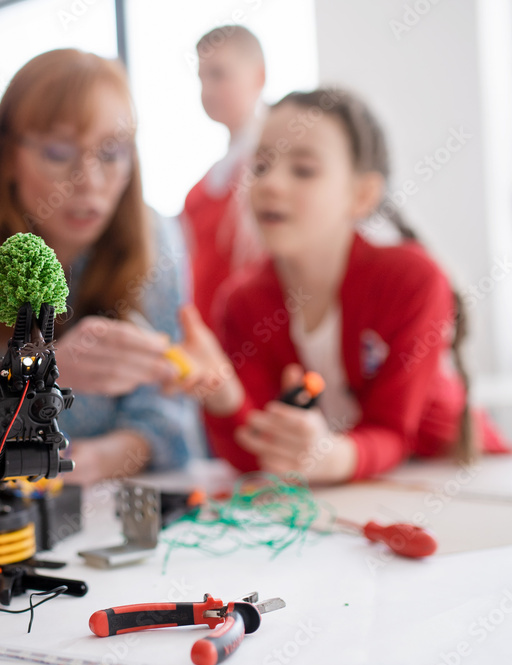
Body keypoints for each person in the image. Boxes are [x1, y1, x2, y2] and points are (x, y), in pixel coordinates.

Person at [175, 88, 509, 483]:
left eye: (303, 170)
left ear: (362, 194)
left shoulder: (412, 280)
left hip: (456, 478)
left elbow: (393, 431)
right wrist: (224, 396)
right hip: (346, 497)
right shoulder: (242, 302)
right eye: (261, 166)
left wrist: (327, 457)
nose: (270, 184)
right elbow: (255, 459)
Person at [0, 49, 202, 486]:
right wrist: (45, 374)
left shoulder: (155, 248)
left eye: (112, 153)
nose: (89, 180)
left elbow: (169, 416)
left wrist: (111, 456)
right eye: (59, 152)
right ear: (7, 157)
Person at [181, 25, 267, 332]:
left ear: (259, 77)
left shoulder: (272, 171)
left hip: (254, 333)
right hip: (209, 340)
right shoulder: (204, 186)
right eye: (202, 77)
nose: (208, 89)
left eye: (218, 74)